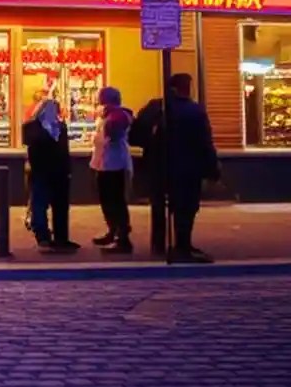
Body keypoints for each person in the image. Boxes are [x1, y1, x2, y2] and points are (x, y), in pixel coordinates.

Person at [129, 73, 220, 263]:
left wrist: (152, 143)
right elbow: (204, 142)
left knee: (159, 205)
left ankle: (159, 244)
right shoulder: (194, 111)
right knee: (185, 207)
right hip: (187, 167)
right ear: (185, 88)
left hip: (157, 166)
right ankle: (182, 245)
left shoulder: (155, 108)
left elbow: (134, 136)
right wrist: (212, 169)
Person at [23, 99, 78, 250]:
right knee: (39, 205)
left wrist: (68, 170)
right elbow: (32, 144)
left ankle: (62, 238)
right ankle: (43, 237)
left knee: (61, 206)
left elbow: (64, 151)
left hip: (60, 172)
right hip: (41, 171)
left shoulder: (60, 127)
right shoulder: (31, 127)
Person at [91, 87, 135, 252]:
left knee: (115, 200)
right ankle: (113, 230)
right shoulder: (108, 114)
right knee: (107, 200)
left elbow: (112, 134)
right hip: (105, 163)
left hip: (114, 164)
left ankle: (122, 238)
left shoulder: (117, 115)